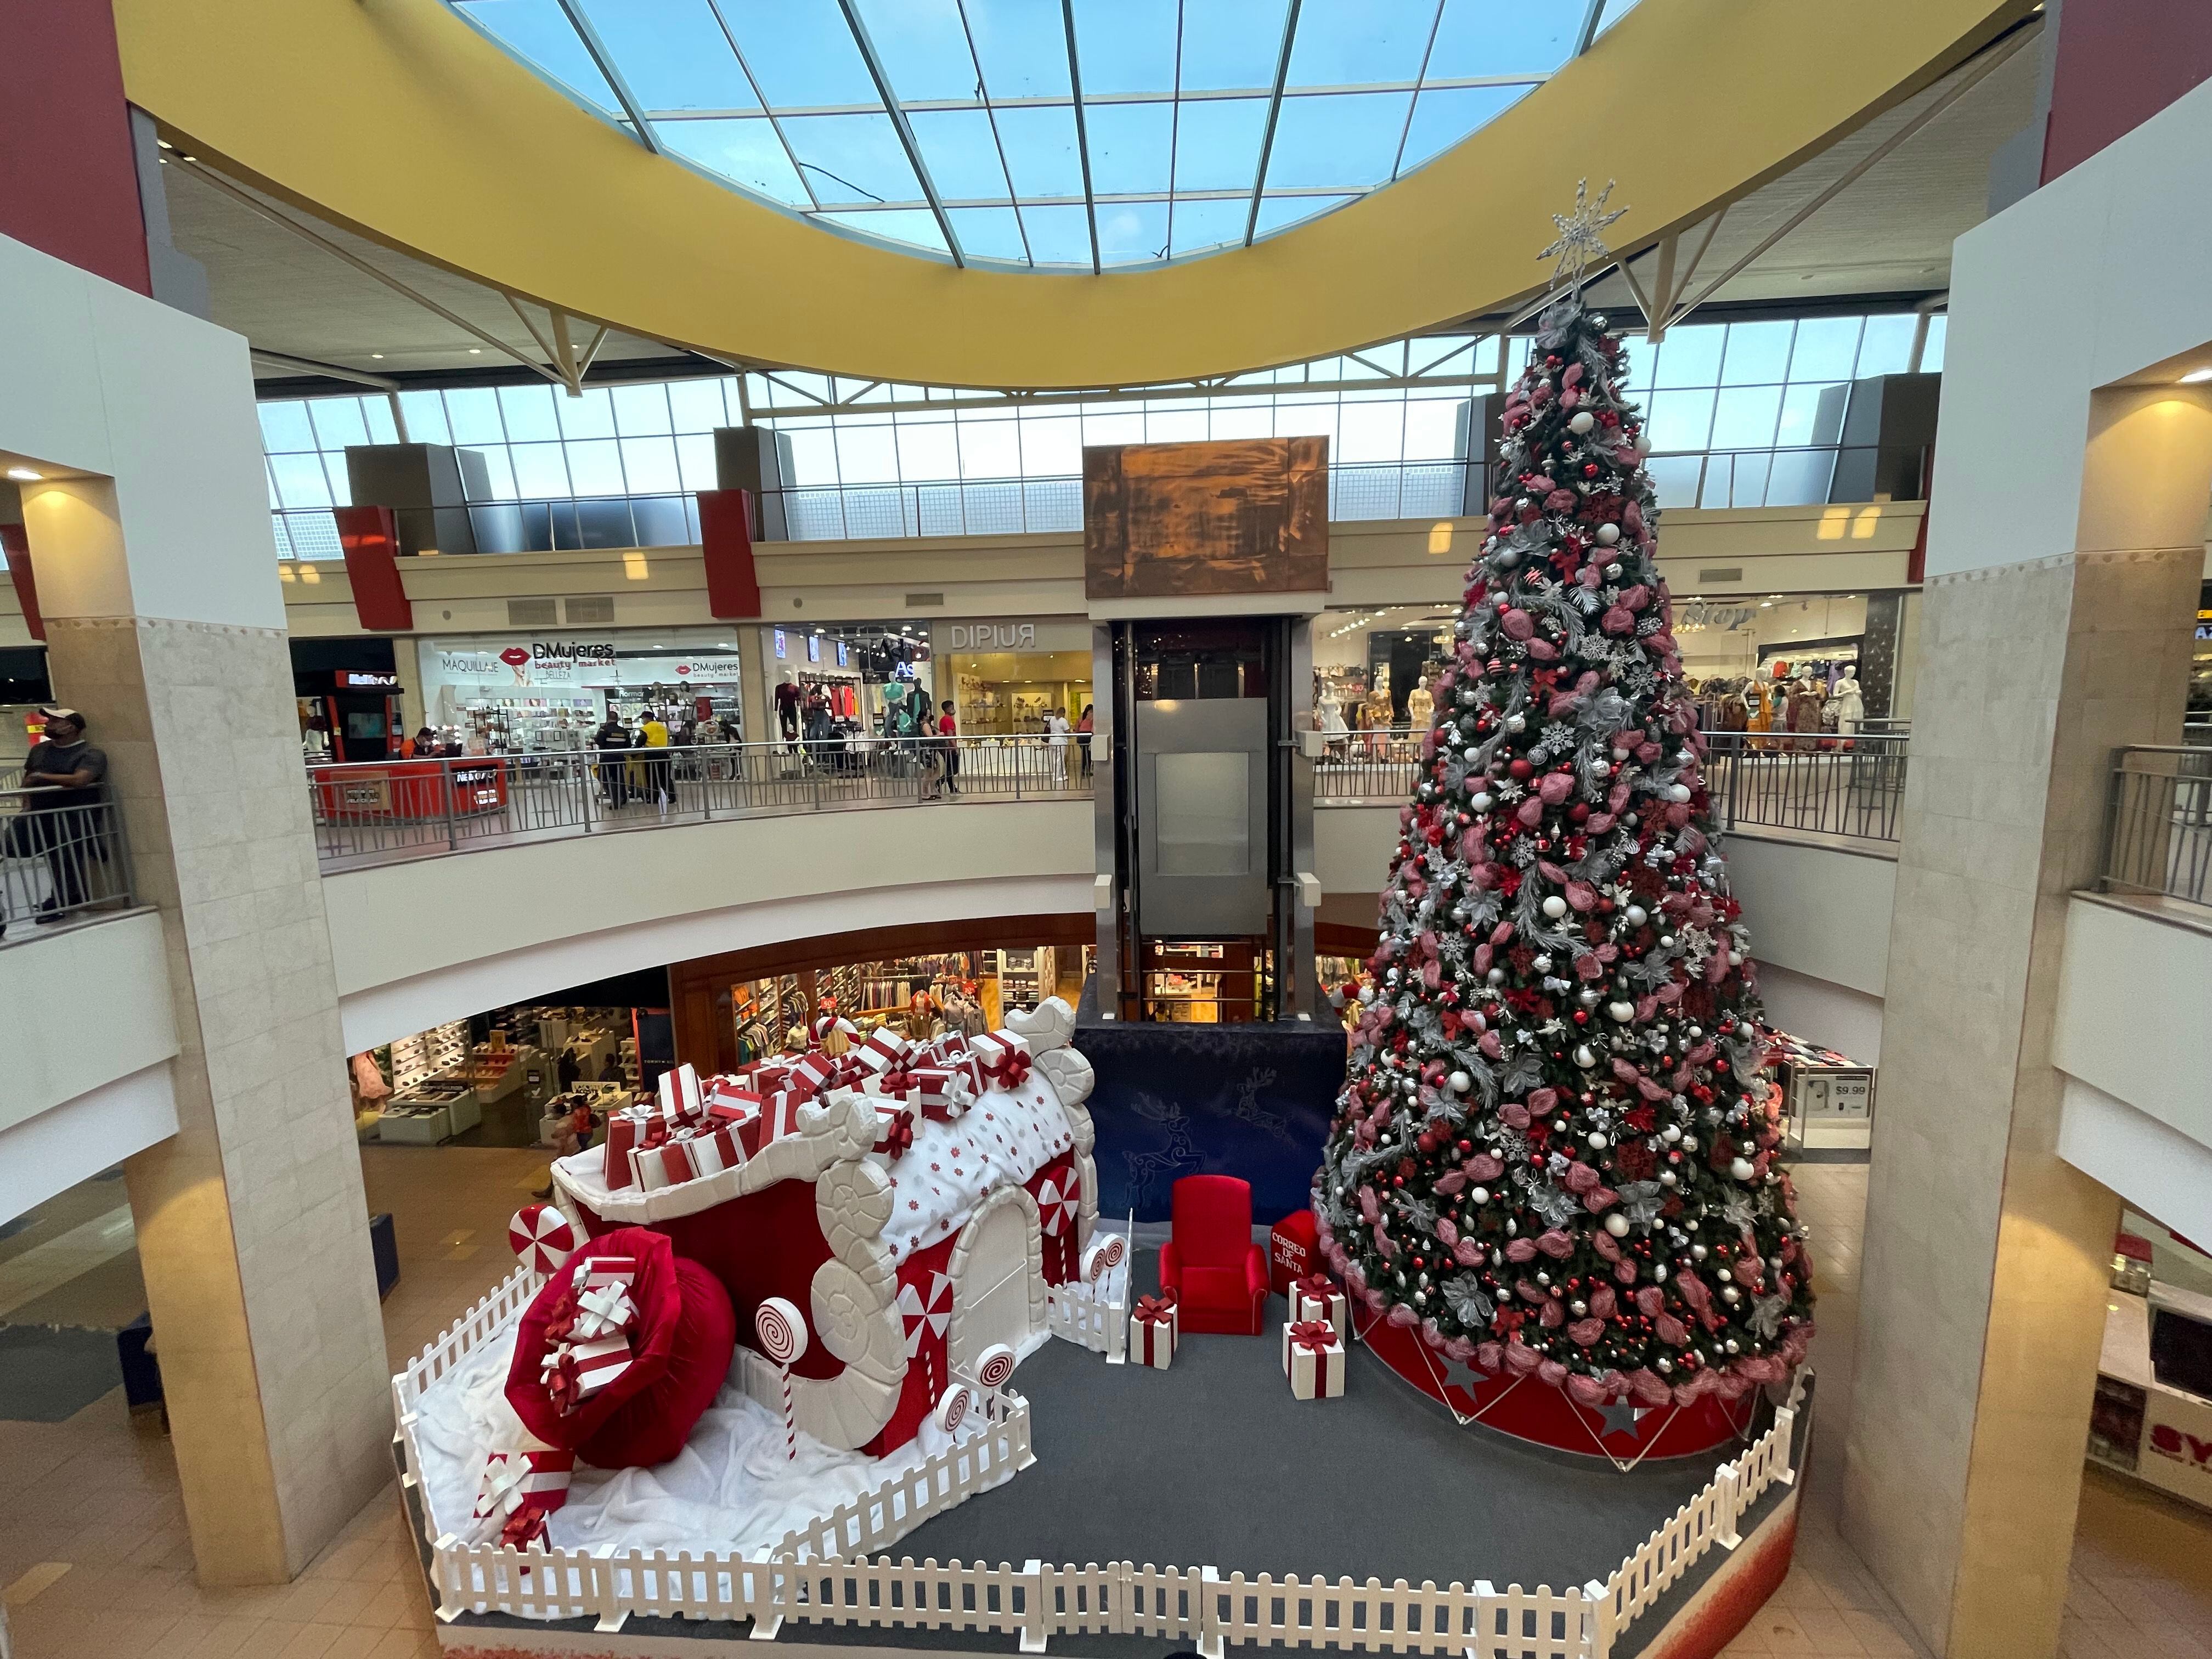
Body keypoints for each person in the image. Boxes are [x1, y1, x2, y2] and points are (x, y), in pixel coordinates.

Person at [9, 708, 109, 926]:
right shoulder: (40, 750)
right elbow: (28, 780)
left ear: (71, 727)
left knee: (65, 855)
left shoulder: (91, 754)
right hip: (41, 812)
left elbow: (80, 779)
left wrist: (41, 777)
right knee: (15, 845)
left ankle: (62, 899)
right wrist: (26, 804)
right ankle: (65, 896)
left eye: (55, 720)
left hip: (74, 814)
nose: (49, 723)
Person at [592, 712, 632, 806]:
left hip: (607, 759)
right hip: (620, 759)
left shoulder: (604, 730)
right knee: (620, 779)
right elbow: (628, 746)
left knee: (603, 778)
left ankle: (615, 799)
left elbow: (600, 743)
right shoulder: (624, 731)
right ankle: (623, 798)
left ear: (608, 718)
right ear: (617, 719)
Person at [638, 708, 673, 804]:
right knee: (665, 778)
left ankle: (654, 798)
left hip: (651, 755)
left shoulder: (646, 728)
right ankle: (672, 796)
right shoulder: (661, 726)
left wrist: (634, 750)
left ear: (647, 719)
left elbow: (640, 741)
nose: (643, 721)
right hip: (664, 754)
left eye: (643, 719)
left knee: (652, 778)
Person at [936, 699, 961, 798]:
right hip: (950, 748)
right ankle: (939, 782)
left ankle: (952, 788)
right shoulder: (948, 719)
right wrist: (956, 747)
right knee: (953, 769)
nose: (953, 709)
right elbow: (950, 734)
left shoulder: (943, 719)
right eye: (952, 707)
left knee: (950, 768)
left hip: (946, 748)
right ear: (948, 708)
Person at [1043, 706, 1071, 786]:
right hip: (1060, 742)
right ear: (1064, 713)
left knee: (1057, 759)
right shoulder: (1063, 721)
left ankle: (1063, 774)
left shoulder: (1052, 719)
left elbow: (1049, 728)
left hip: (1052, 741)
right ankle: (1056, 776)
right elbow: (1068, 731)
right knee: (1059, 759)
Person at [1075, 703, 1094, 780]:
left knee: (1084, 754)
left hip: (1081, 736)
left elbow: (1077, 726)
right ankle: (1088, 771)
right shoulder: (1092, 715)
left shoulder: (1081, 715)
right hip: (1088, 736)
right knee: (1089, 754)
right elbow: (1093, 727)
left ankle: (1083, 771)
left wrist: (1077, 734)